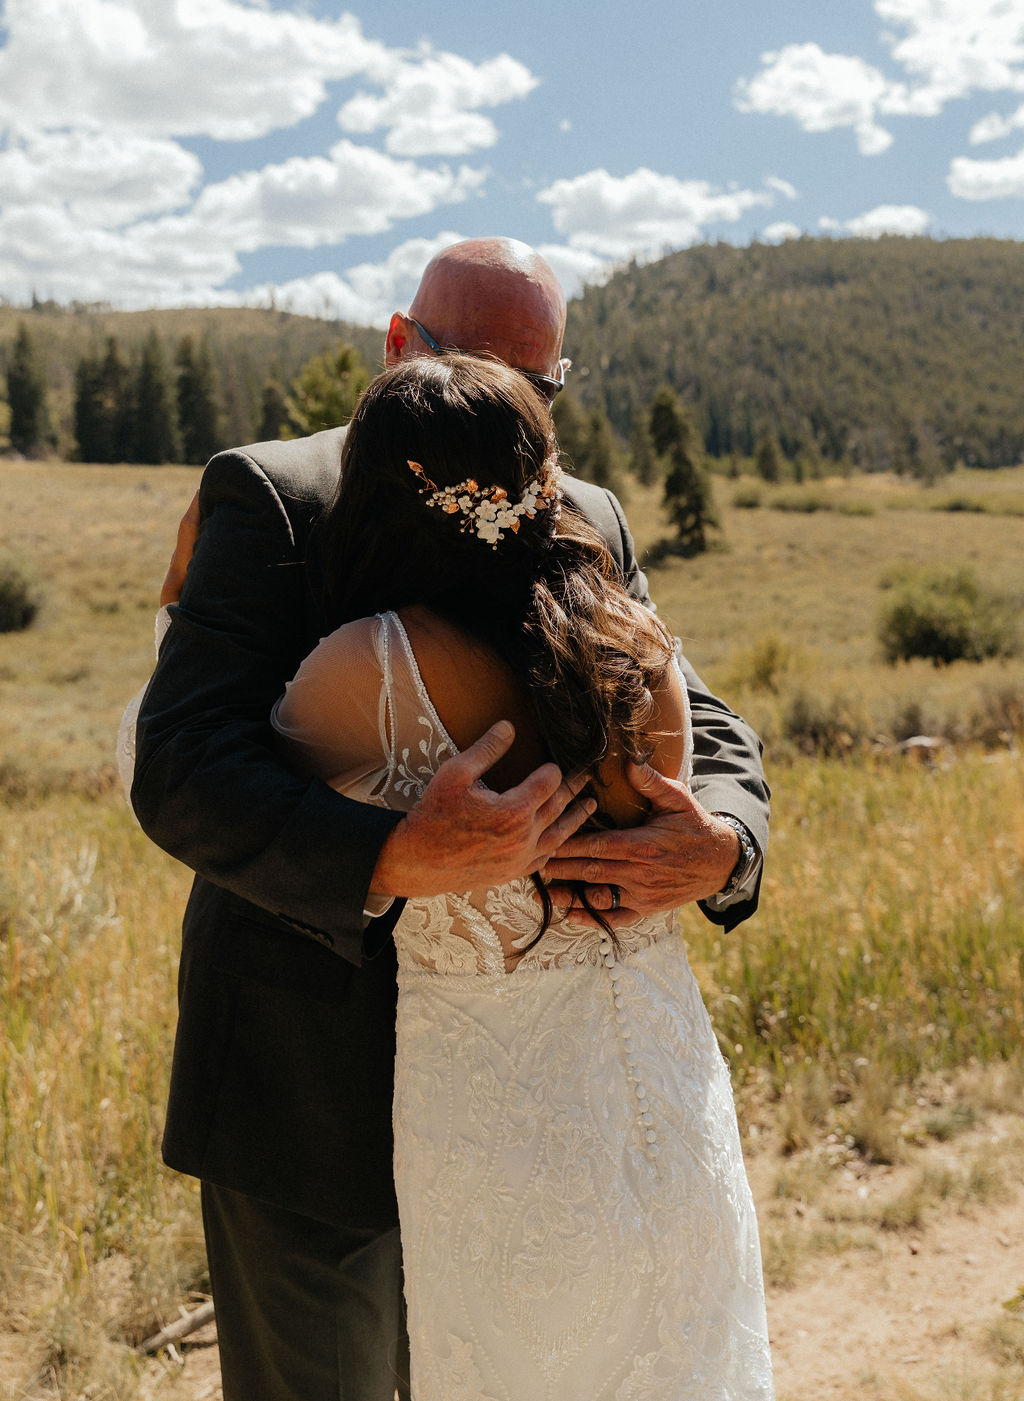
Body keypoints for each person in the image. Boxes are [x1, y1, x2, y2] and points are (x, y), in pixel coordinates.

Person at [131, 237, 769, 1401]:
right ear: (397, 345)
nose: (494, 399)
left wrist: (722, 843)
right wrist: (387, 853)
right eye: (463, 359)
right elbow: (181, 764)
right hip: (307, 1084)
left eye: (532, 382)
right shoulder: (273, 496)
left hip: (543, 1103)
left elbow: (704, 716)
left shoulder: (588, 512)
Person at [270, 352, 773, 1398]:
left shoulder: (371, 668)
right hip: (671, 1100)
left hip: (501, 1141)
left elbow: (200, 778)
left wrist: (175, 613)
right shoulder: (639, 646)